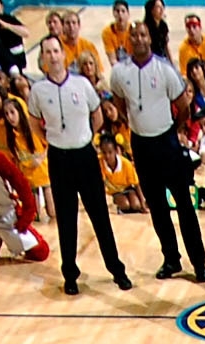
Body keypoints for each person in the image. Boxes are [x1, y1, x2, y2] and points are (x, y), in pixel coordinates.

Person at [33, 38, 133, 293]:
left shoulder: (81, 84)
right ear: (43, 57)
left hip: (85, 156)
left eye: (56, 51)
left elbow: (97, 115)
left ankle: (116, 269)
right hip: (59, 158)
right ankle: (70, 275)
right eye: (48, 52)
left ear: (63, 55)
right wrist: (51, 140)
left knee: (99, 215)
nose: (53, 56)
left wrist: (84, 136)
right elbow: (34, 121)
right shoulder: (39, 90)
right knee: (66, 220)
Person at [111, 24, 205, 278]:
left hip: (167, 143)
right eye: (134, 35)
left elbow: (184, 107)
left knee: (185, 205)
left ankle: (199, 263)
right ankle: (171, 259)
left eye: (143, 34)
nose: (139, 39)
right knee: (156, 207)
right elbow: (121, 103)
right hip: (141, 145)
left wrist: (171, 131)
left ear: (149, 38)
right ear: (129, 39)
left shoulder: (164, 68)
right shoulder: (120, 72)